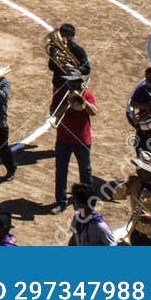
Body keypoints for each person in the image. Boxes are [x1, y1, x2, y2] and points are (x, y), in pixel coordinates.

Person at [51, 74, 97, 212]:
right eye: (70, 83)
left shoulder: (87, 95)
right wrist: (66, 103)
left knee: (85, 171)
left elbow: (94, 112)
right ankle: (61, 202)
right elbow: (54, 114)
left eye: (75, 83)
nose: (72, 86)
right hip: (63, 140)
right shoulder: (60, 95)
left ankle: (87, 202)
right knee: (61, 171)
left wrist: (82, 99)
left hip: (82, 140)